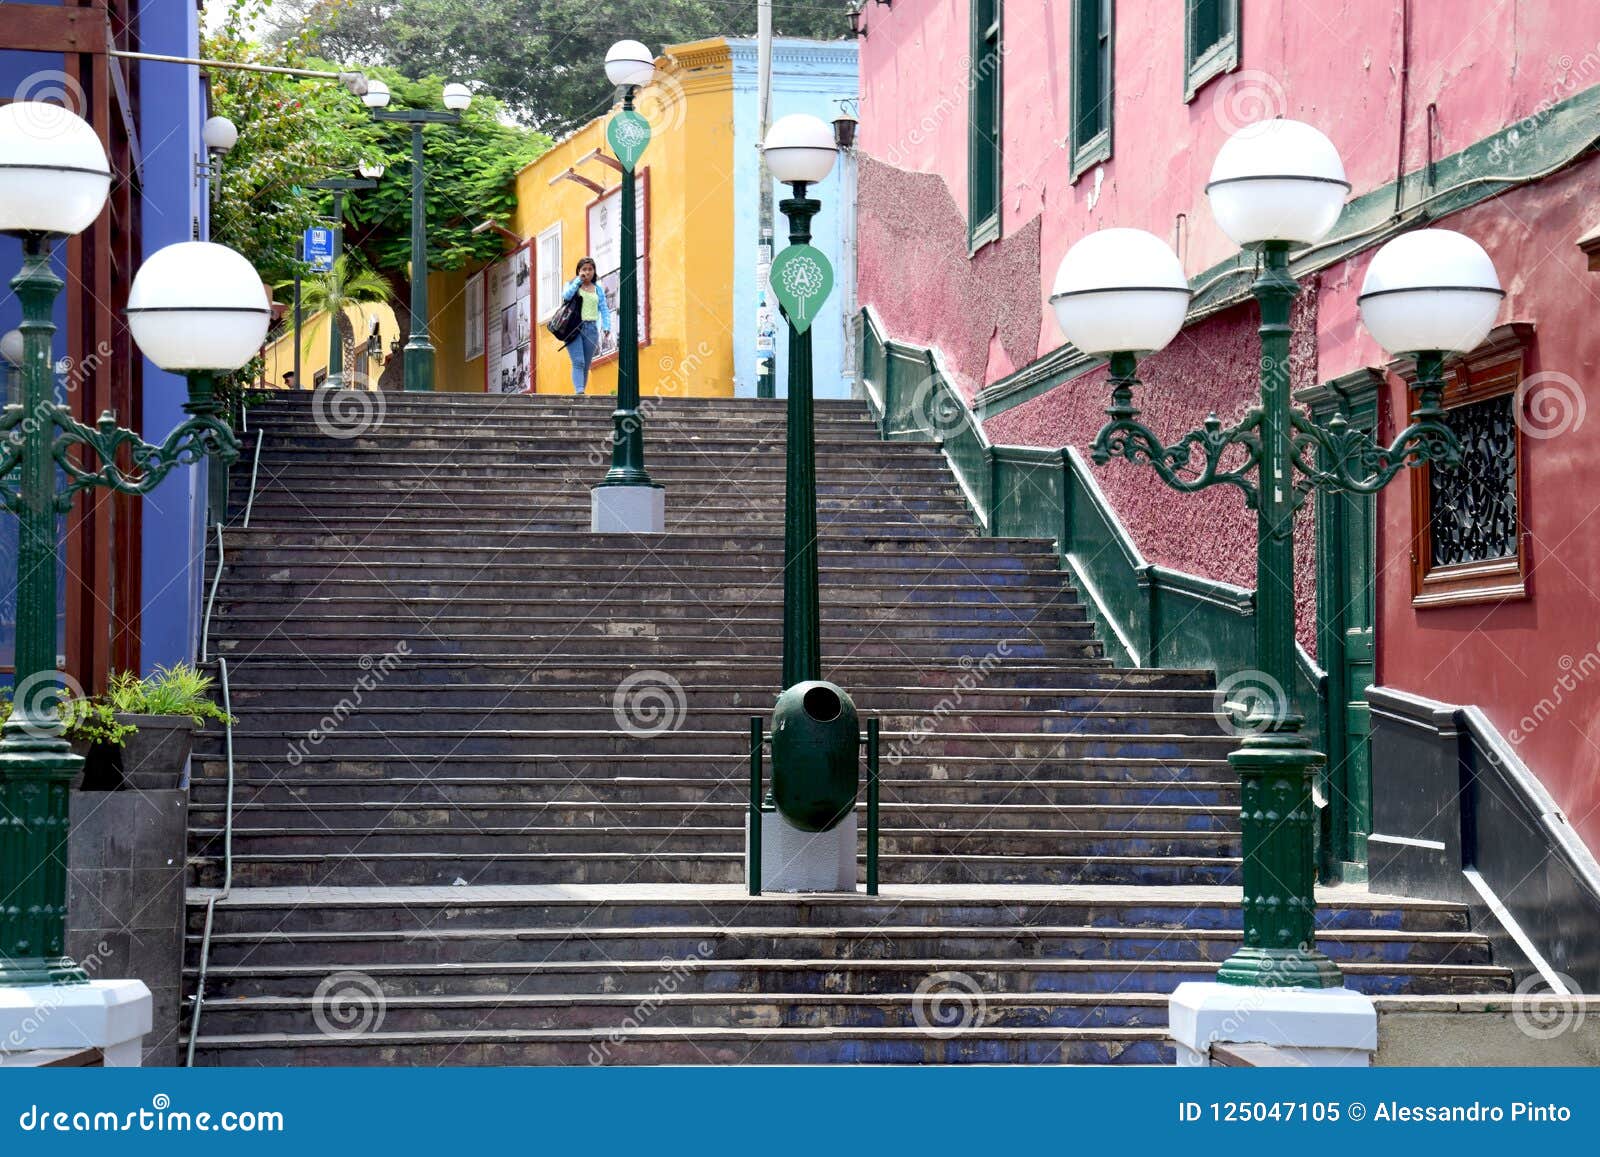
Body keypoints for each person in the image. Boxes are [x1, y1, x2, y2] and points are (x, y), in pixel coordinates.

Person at [561, 256, 612, 394]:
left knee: (586, 364)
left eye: (590, 269)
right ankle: (579, 392)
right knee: (578, 361)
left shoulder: (598, 289)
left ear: (594, 272)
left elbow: (604, 309)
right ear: (578, 271)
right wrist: (578, 281)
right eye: (584, 269)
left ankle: (580, 393)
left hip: (591, 329)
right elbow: (566, 296)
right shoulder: (572, 284)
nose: (587, 272)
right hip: (572, 328)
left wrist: (607, 326)